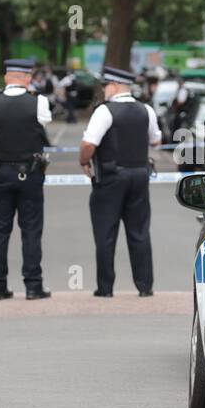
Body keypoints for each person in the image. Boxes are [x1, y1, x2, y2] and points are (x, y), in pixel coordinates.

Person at [79, 65, 160, 297]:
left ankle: (105, 288)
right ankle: (145, 287)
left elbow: (88, 144)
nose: (104, 90)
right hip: (139, 175)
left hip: (111, 177)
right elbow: (155, 140)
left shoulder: (105, 112)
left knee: (105, 233)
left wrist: (83, 161)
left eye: (105, 85)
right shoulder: (146, 110)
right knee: (139, 232)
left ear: (114, 86)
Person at [0, 58, 52, 302]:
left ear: (6, 77)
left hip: (0, 171)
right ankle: (33, 286)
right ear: (27, 77)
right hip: (30, 172)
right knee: (31, 230)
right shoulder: (38, 102)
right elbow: (42, 126)